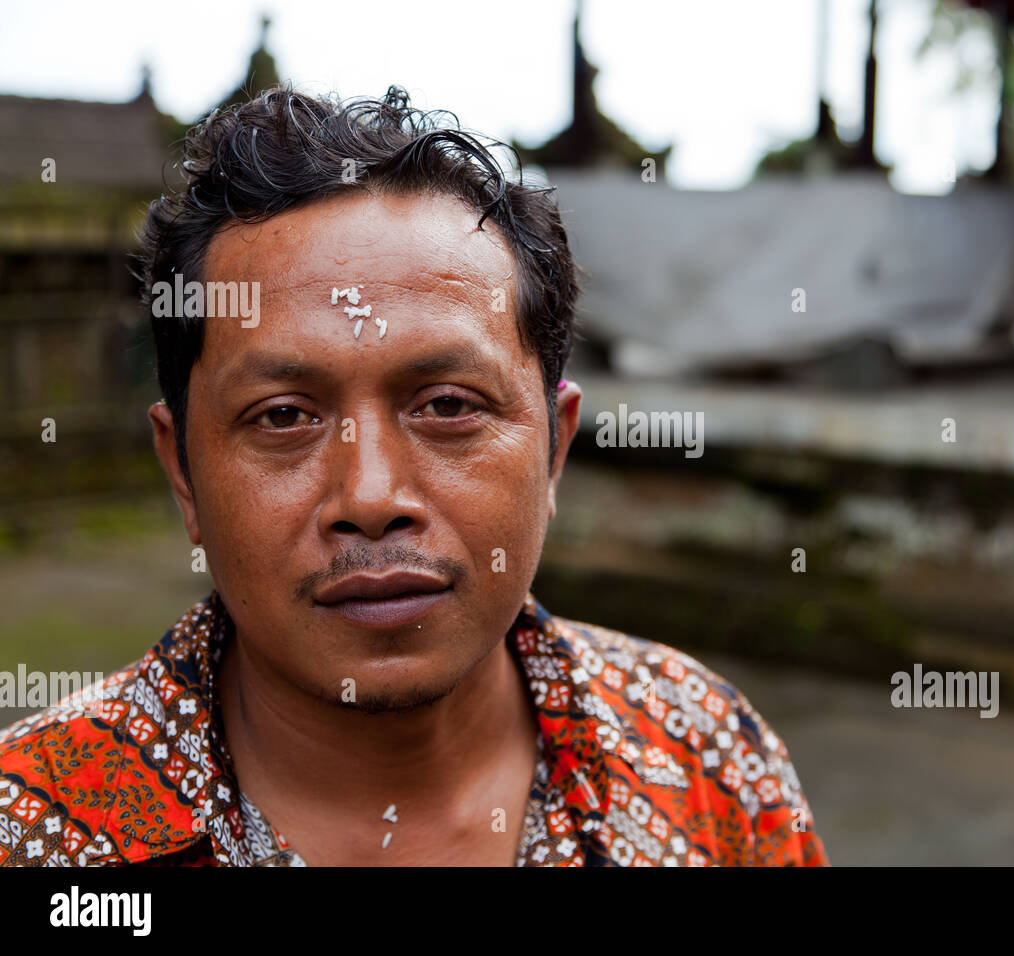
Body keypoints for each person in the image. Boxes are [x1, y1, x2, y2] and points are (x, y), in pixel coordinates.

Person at [0, 86, 828, 867]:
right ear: (182, 472)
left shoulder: (710, 762)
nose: (369, 498)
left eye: (447, 405)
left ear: (554, 449)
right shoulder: (36, 827)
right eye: (284, 416)